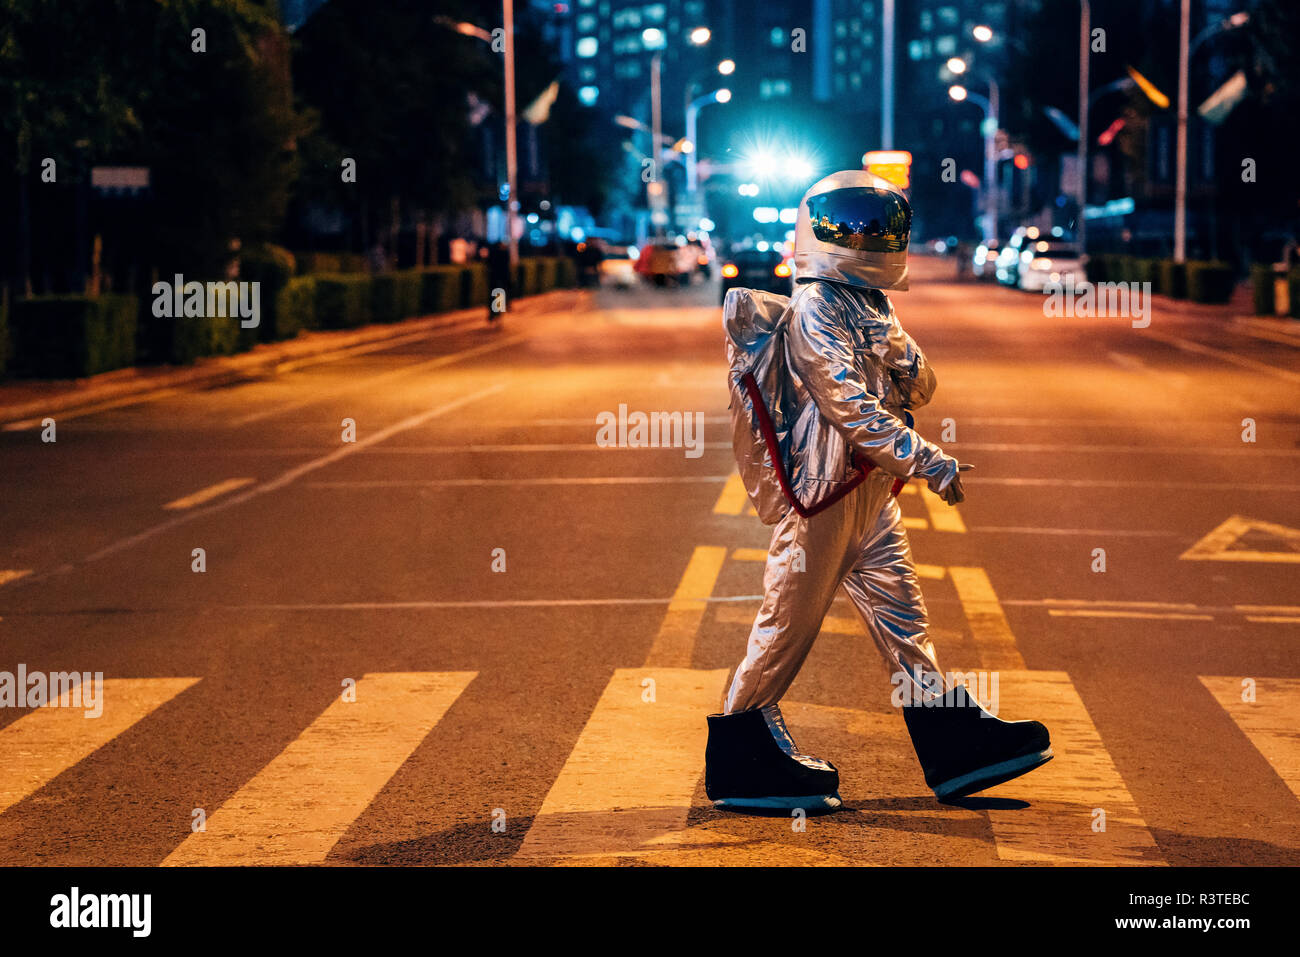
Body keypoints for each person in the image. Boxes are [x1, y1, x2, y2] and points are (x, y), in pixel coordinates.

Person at [706, 170, 1052, 811]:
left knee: (903, 617)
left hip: (869, 493)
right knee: (788, 623)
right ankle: (740, 751)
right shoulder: (813, 309)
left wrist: (892, 349)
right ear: (816, 228)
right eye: (852, 226)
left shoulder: (871, 304)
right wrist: (927, 460)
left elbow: (920, 386)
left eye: (881, 226)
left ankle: (952, 743)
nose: (869, 238)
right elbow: (851, 409)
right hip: (824, 492)